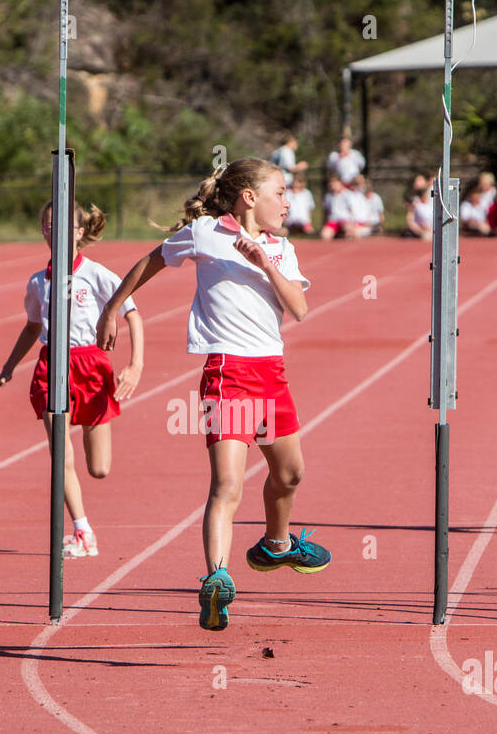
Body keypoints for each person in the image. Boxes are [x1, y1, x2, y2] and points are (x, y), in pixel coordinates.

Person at [94, 158, 329, 631]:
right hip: (228, 373)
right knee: (227, 485)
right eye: (280, 193)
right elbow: (152, 261)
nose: (288, 202)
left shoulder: (280, 248)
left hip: (271, 372)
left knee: (292, 473)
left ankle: (275, 545)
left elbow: (300, 308)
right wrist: (114, 307)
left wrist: (262, 261)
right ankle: (216, 578)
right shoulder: (203, 233)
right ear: (249, 198)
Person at [0, 201, 143, 559]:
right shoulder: (38, 282)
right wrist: (7, 369)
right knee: (60, 457)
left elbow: (132, 314)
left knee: (99, 469)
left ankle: (84, 513)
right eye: (48, 224)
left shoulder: (97, 274)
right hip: (52, 366)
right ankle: (83, 531)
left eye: (64, 225)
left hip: (93, 366)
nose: (55, 230)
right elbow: (32, 325)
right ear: (42, 230)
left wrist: (135, 365)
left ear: (81, 231)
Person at [320, 176, 360, 240]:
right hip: (333, 221)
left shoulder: (347, 194)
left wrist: (354, 223)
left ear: (340, 183)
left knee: (352, 234)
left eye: (335, 183)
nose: (332, 185)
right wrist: (324, 224)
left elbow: (352, 210)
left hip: (345, 221)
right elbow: (326, 212)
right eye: (331, 183)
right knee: (325, 235)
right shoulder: (328, 196)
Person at [405, 174, 435, 240]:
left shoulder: (433, 192)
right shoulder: (415, 201)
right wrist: (421, 232)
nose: (417, 183)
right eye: (416, 181)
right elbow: (410, 220)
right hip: (423, 231)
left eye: (420, 180)